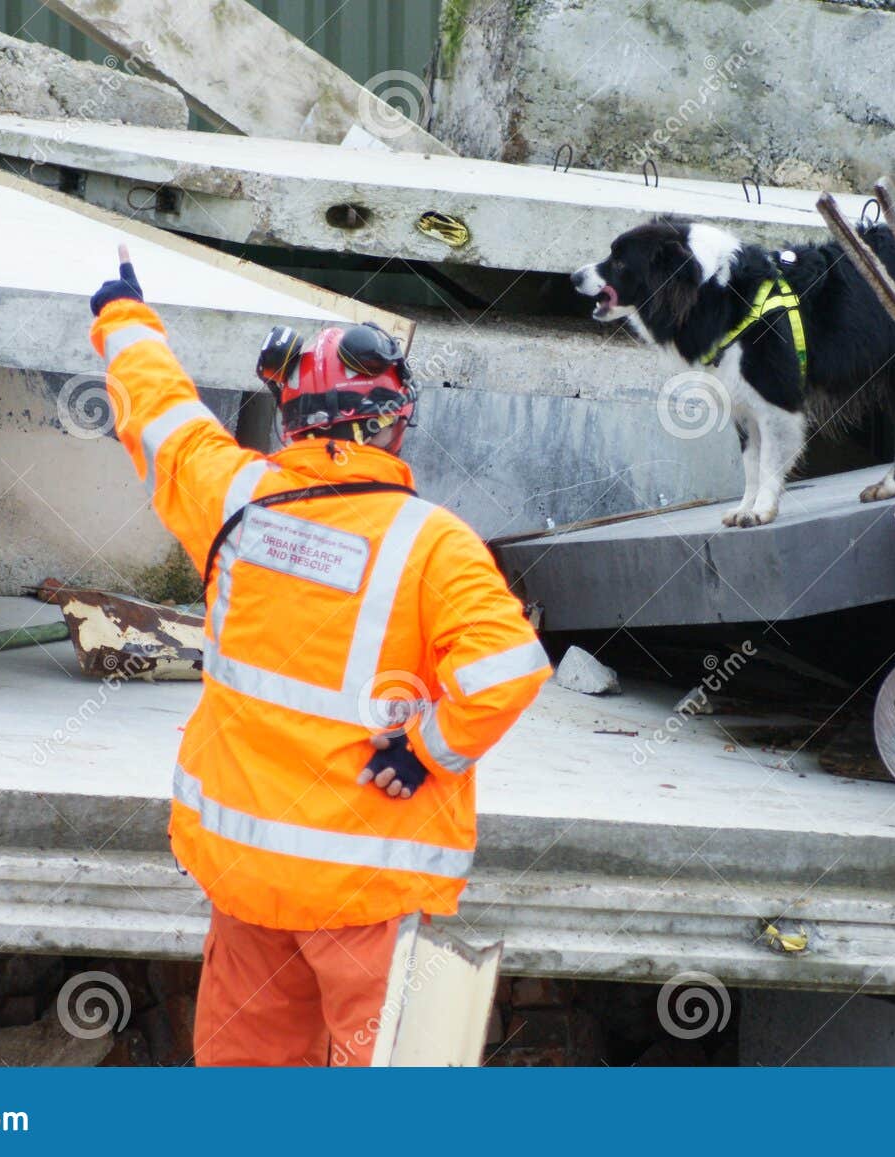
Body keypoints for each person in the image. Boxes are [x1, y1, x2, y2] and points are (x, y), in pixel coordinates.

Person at [89, 246, 550, 1066]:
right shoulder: (432, 543)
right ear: (388, 421)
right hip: (362, 889)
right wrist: (425, 751)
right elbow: (507, 667)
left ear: (292, 416)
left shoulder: (233, 499)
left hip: (246, 876)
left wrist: (121, 312)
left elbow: (159, 416)